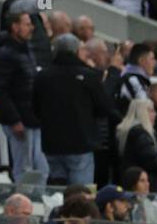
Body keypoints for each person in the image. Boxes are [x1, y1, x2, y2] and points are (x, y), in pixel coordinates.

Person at [33, 34, 116, 185]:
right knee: (81, 194)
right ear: (76, 51)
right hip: (81, 143)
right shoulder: (88, 76)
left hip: (51, 143)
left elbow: (35, 107)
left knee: (56, 193)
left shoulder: (42, 76)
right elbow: (104, 108)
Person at [0, 9, 47, 179]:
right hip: (21, 120)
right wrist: (14, 120)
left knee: (38, 168)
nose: (31, 28)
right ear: (15, 27)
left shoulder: (25, 51)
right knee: (26, 168)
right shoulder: (6, 54)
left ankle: (30, 201)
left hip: (32, 118)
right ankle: (22, 202)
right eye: (27, 24)